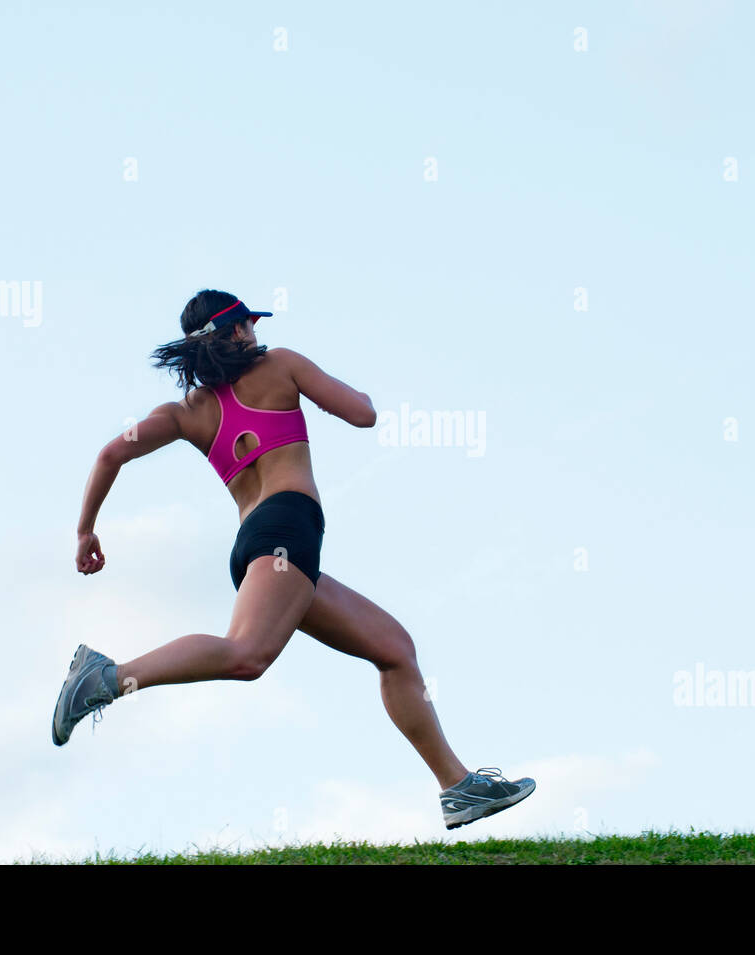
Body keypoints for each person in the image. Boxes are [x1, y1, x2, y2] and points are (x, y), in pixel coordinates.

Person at [51, 289, 534, 831]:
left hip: (262, 545)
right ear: (234, 331)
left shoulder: (184, 413)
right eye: (249, 325)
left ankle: (457, 787)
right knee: (246, 655)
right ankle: (107, 678)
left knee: (395, 649)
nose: (256, 333)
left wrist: (85, 530)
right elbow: (364, 414)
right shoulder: (281, 366)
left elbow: (111, 453)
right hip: (286, 530)